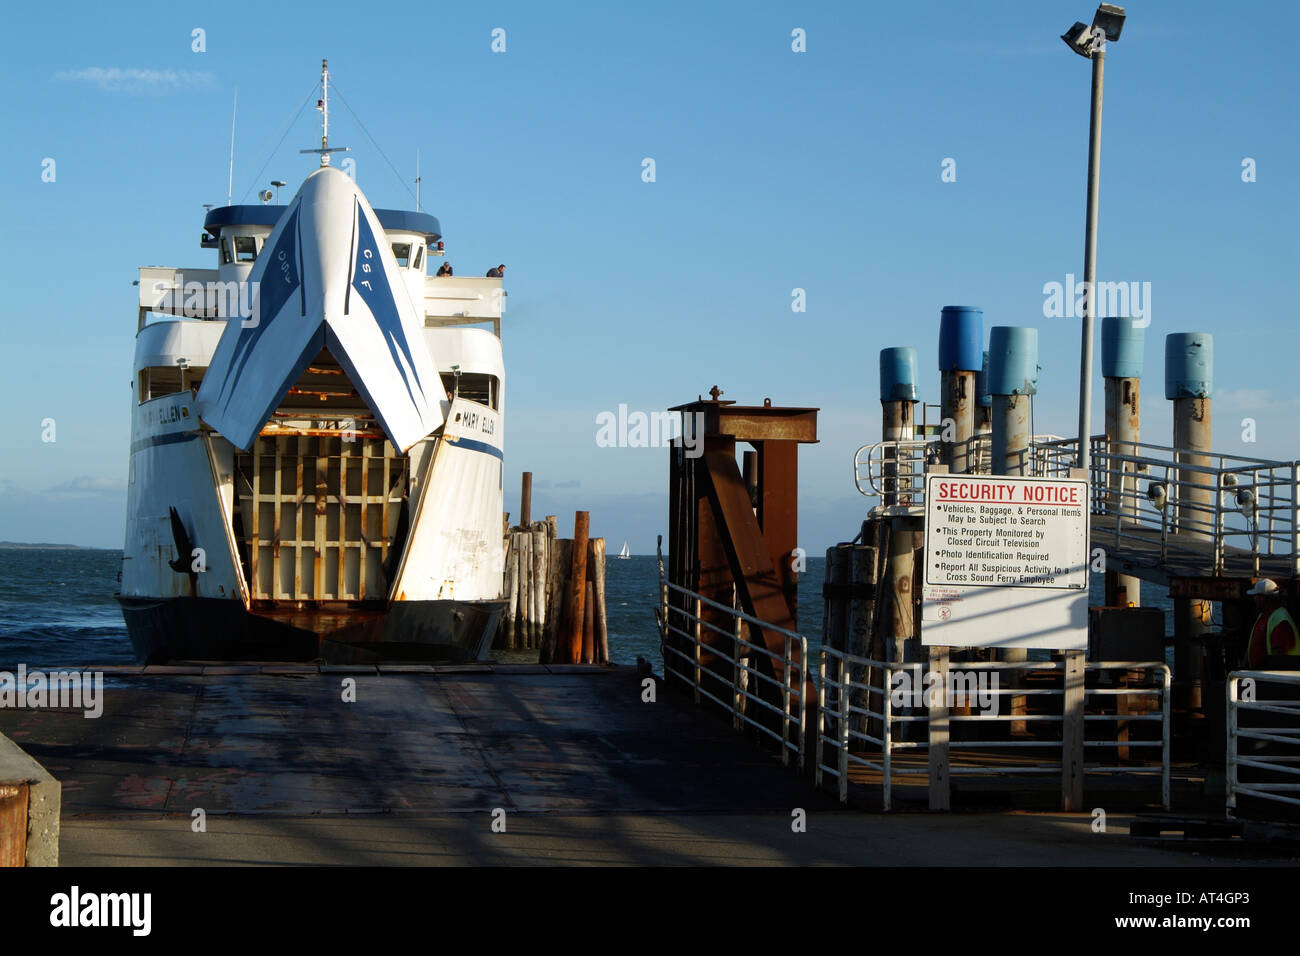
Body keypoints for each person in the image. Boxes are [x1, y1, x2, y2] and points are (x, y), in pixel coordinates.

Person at [1244, 578, 1300, 668]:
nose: (1254, 599)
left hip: (1268, 676)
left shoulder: (1280, 620)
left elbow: (1279, 655)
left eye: (1257, 596)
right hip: (1258, 674)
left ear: (1265, 598)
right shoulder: (1264, 615)